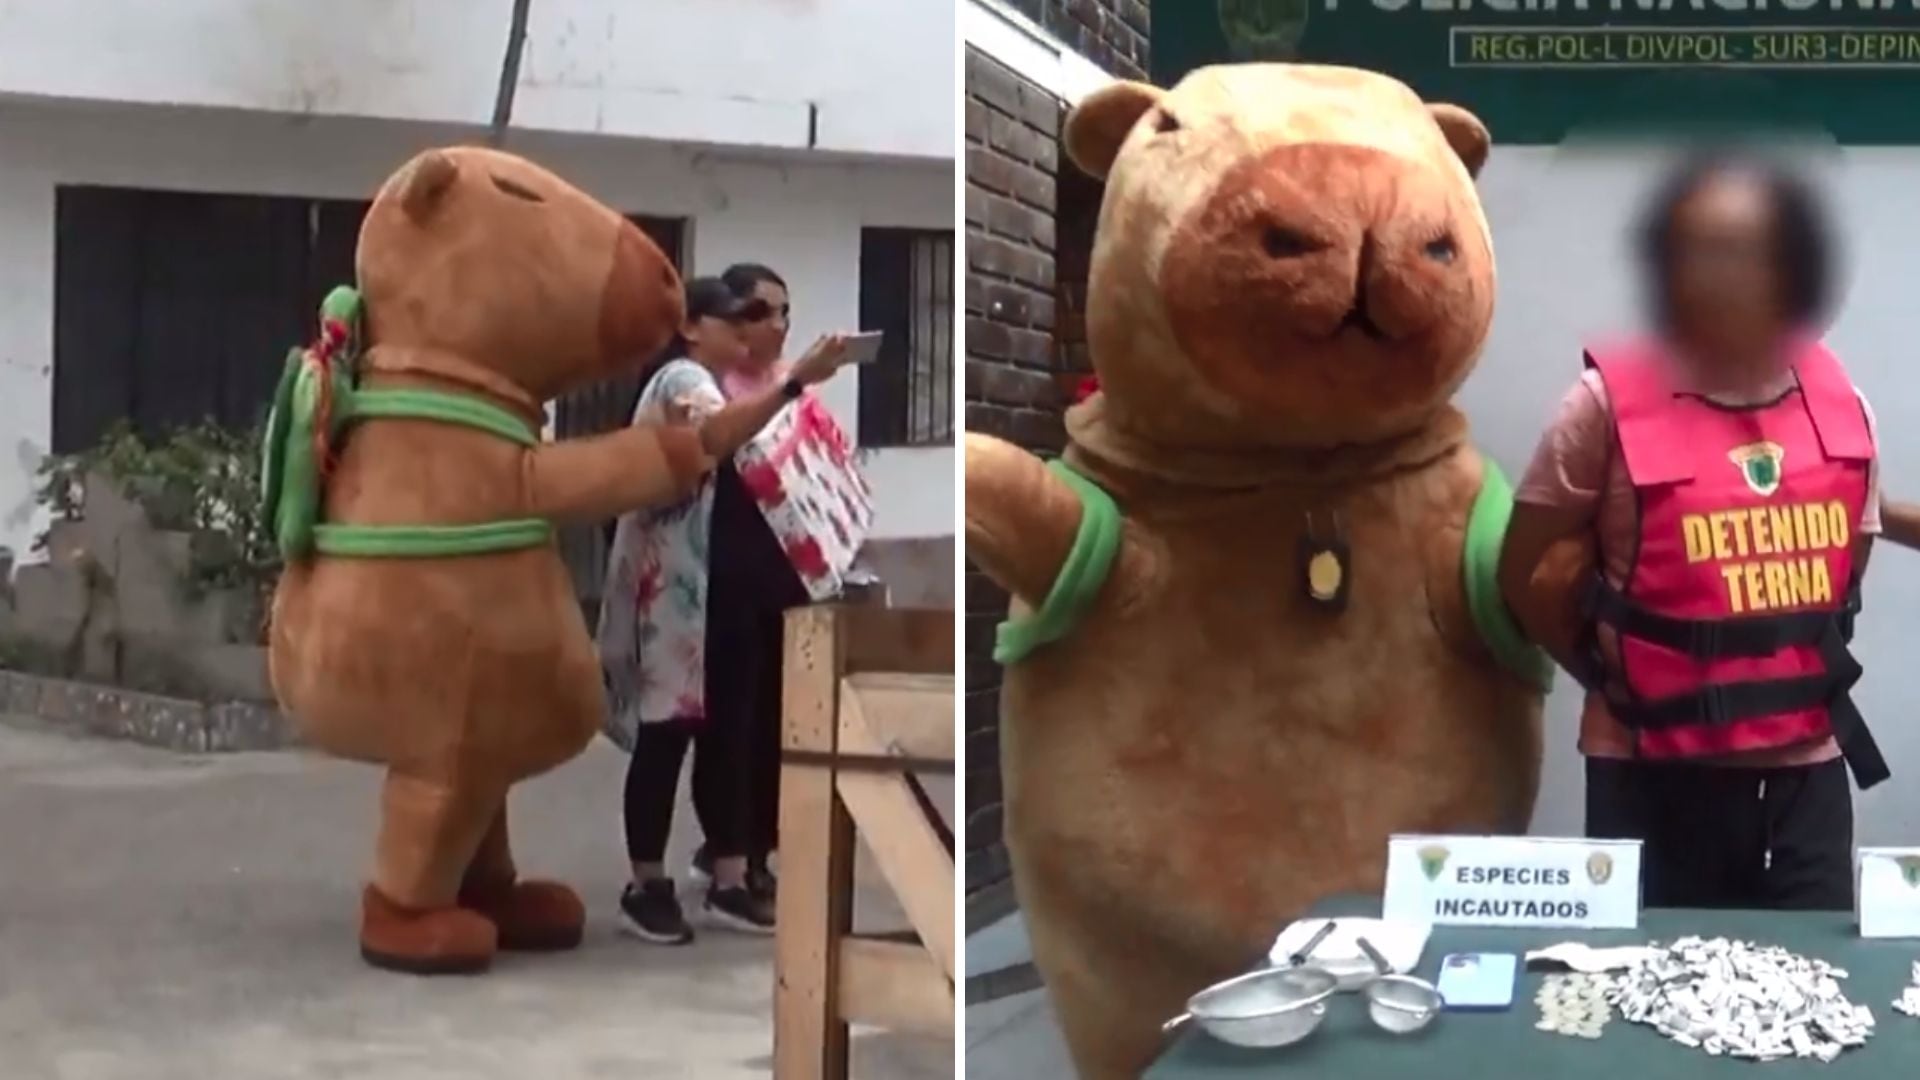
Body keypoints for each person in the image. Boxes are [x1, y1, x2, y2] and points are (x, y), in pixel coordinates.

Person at [1497, 151, 1886, 912]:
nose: (1718, 275)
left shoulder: (1844, 409)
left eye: (1746, 252)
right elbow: (1523, 574)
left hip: (1805, 768)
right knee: (1649, 1005)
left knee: (1814, 995)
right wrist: (1616, 677)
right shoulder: (1602, 406)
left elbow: (1844, 578)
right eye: (1696, 251)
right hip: (1648, 768)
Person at [599, 276, 849, 943]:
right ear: (692, 327)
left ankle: (730, 878)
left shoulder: (711, 379)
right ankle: (644, 883)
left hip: (709, 589)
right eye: (734, 319)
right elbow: (717, 437)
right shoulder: (682, 381)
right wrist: (794, 385)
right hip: (670, 592)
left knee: (721, 733)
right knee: (665, 735)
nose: (748, 331)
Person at [679, 262, 816, 900]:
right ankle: (728, 852)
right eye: (759, 313)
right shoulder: (711, 390)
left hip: (788, 575)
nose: (776, 327)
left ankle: (759, 847)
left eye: (783, 312)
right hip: (726, 576)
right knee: (730, 720)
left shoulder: (794, 386)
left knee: (778, 722)